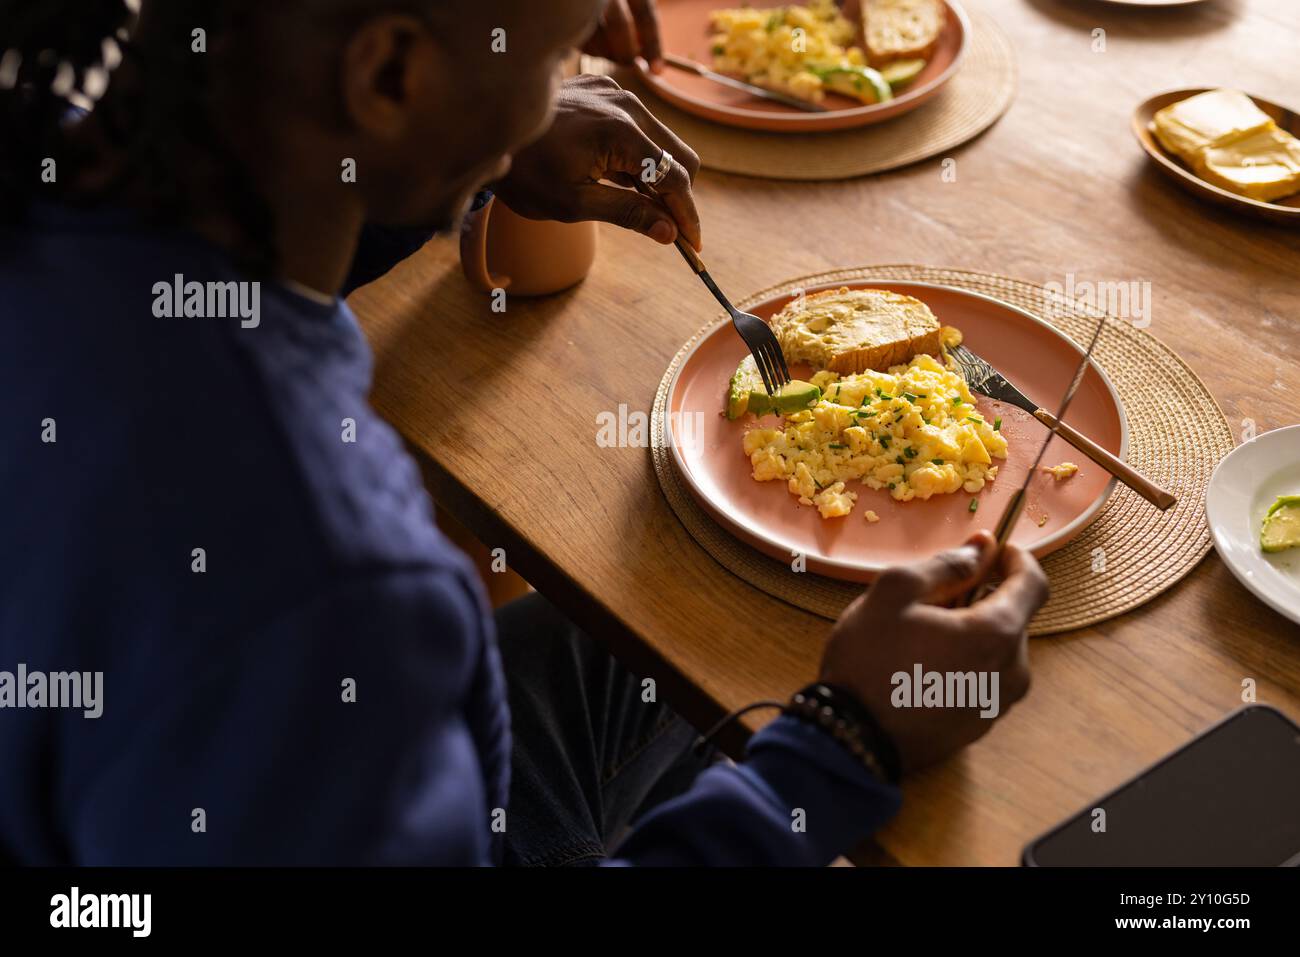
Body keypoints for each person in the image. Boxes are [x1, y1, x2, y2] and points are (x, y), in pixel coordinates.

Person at [0, 0, 1048, 866]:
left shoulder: (54, 161)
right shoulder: (334, 591)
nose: (571, 85)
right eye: (557, 57)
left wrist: (462, 145)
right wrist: (839, 745)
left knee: (652, 630)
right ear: (391, 77)